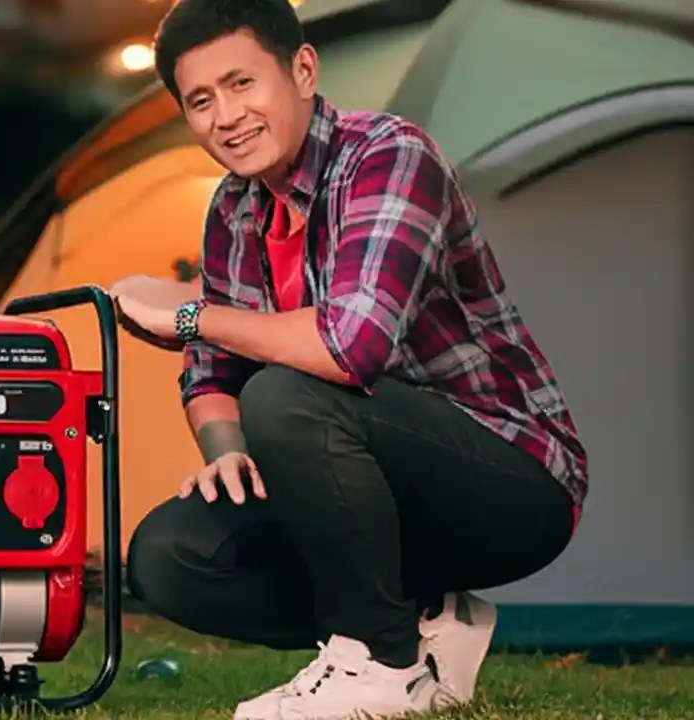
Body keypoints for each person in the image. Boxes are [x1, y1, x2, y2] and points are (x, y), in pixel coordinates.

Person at [108, 1, 589, 718]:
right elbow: (211, 370)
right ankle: (427, 620)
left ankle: (379, 662)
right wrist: (226, 451)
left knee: (284, 395)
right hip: (360, 485)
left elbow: (350, 346)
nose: (226, 117)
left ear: (303, 71)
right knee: (169, 555)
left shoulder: (389, 155)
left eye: (242, 84)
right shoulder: (235, 208)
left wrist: (187, 313)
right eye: (200, 101)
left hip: (512, 476)